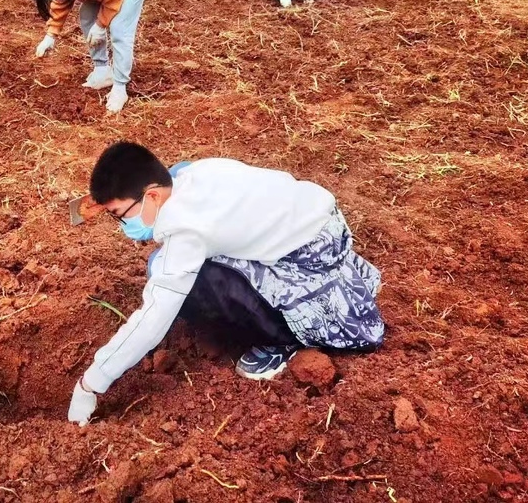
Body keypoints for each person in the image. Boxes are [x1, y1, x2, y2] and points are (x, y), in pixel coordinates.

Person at [67, 141, 384, 426]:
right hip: (324, 229)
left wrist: (91, 382)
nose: (123, 226)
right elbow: (176, 172)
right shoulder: (195, 173)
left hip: (306, 258)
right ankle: (347, 280)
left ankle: (284, 339)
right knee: (163, 263)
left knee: (197, 283)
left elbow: (153, 318)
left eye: (121, 215)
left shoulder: (187, 231)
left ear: (152, 195)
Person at [28, 0, 155, 114]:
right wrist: (51, 35)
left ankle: (120, 87)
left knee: (120, 28)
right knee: (87, 16)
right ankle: (102, 70)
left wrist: (101, 25)